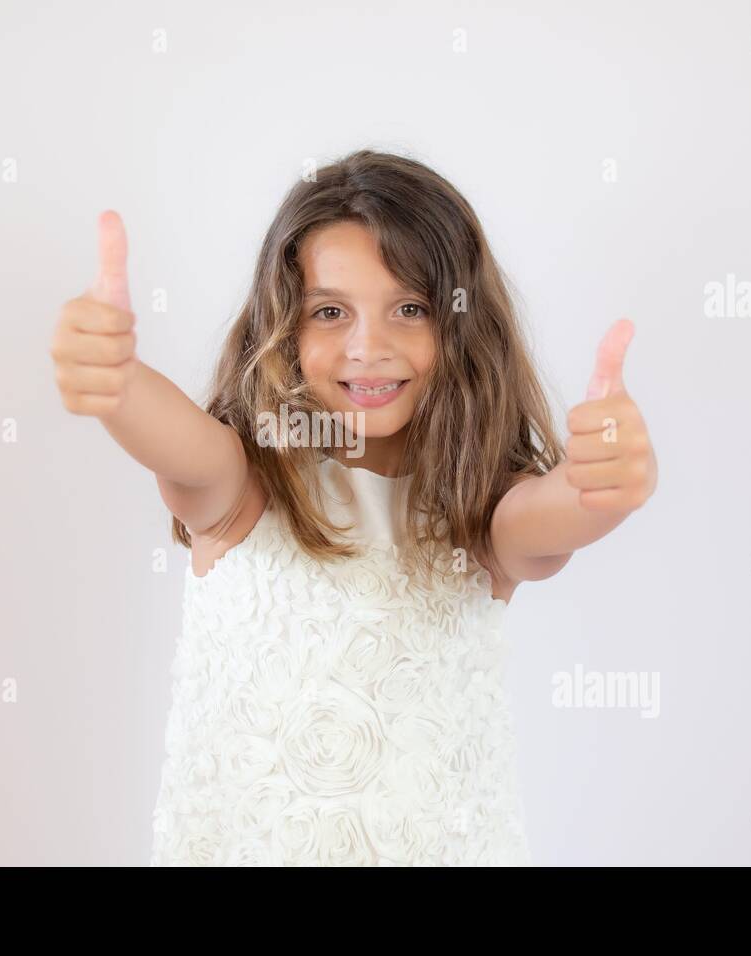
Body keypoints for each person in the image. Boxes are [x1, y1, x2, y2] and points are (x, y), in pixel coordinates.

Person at [50, 149, 658, 865]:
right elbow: (181, 447)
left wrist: (599, 485)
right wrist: (119, 382)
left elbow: (549, 518)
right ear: (284, 324)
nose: (369, 347)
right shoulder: (241, 489)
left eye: (410, 308)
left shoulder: (481, 520)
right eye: (330, 312)